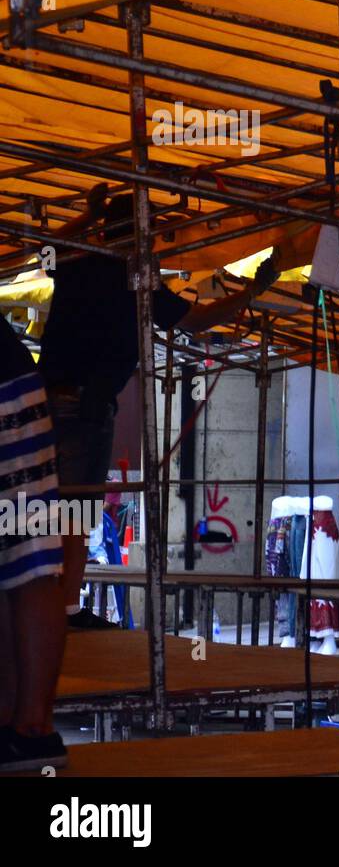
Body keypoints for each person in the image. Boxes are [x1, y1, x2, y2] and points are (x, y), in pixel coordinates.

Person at [41, 186, 279, 627]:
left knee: (66, 512)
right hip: (83, 406)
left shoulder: (84, 264)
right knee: (72, 513)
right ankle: (57, 610)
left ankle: (61, 609)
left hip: (70, 403)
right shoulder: (132, 279)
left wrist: (86, 218)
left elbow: (45, 255)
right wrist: (250, 294)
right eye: (151, 235)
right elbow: (198, 321)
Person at [0, 318, 68, 770]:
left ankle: (28, 726)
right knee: (24, 559)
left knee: (28, 559)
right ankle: (21, 725)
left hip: (10, 389)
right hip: (14, 386)